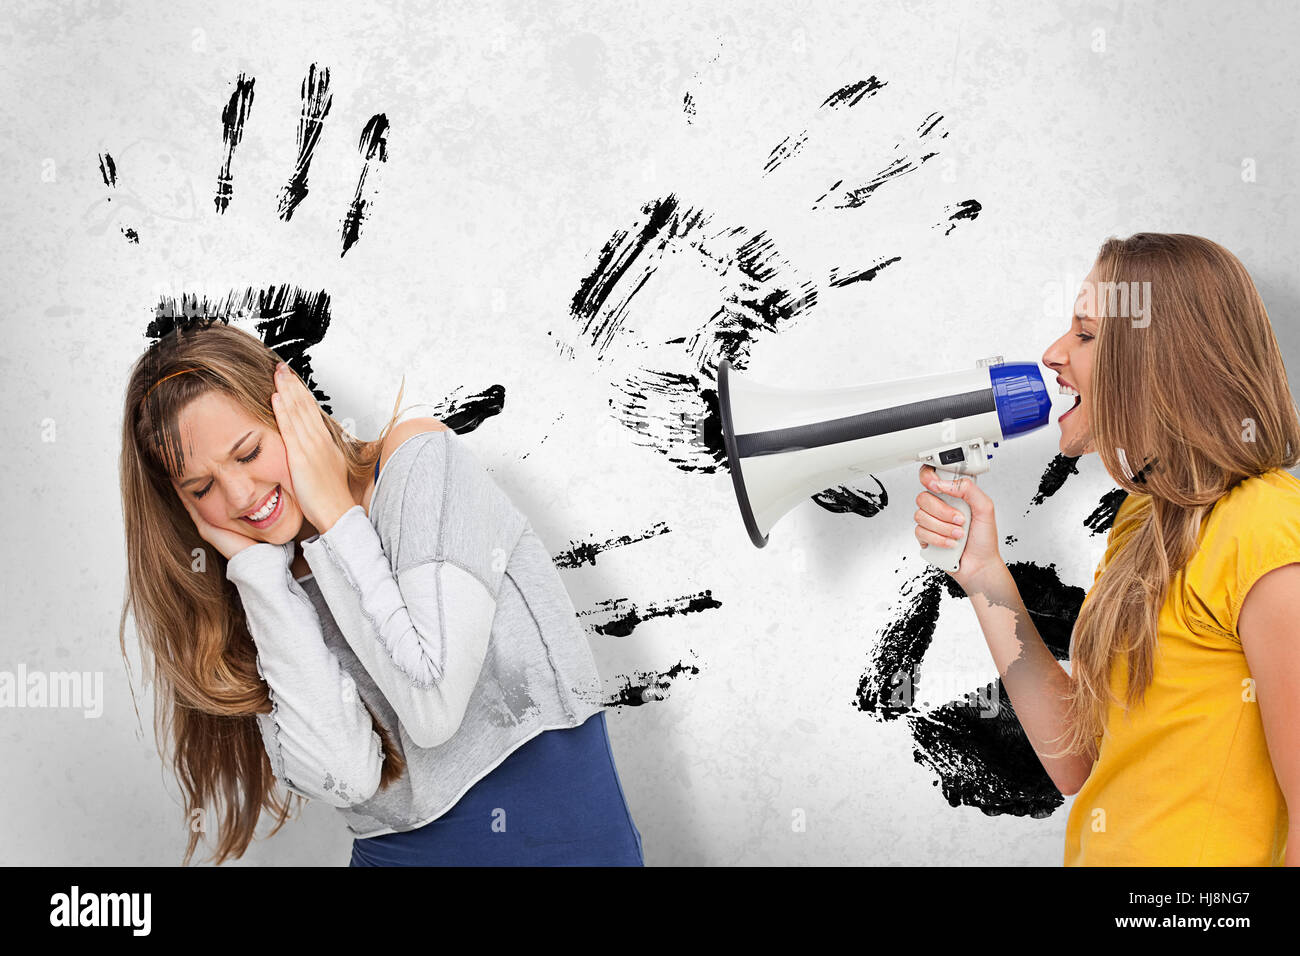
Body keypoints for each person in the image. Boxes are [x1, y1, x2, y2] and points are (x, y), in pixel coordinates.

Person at [119, 320, 644, 866]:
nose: (238, 494)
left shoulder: (417, 463)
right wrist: (259, 581)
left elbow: (433, 703)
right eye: (200, 488)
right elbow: (347, 778)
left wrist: (336, 518)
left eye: (248, 453)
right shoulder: (255, 586)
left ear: (289, 411)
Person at [912, 233, 1300, 866]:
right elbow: (1076, 760)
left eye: (1086, 336)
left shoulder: (1269, 527)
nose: (1053, 354)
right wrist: (983, 575)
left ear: (1163, 361)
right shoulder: (1145, 520)